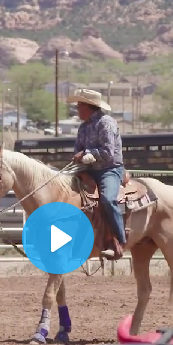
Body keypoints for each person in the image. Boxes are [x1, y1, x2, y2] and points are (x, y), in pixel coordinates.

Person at [67, 88, 126, 260]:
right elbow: (77, 149)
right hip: (88, 170)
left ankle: (119, 241)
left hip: (109, 169)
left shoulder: (106, 123)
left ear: (89, 107)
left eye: (79, 106)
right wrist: (78, 157)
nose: (77, 109)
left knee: (108, 199)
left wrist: (85, 154)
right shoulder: (83, 127)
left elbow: (108, 152)